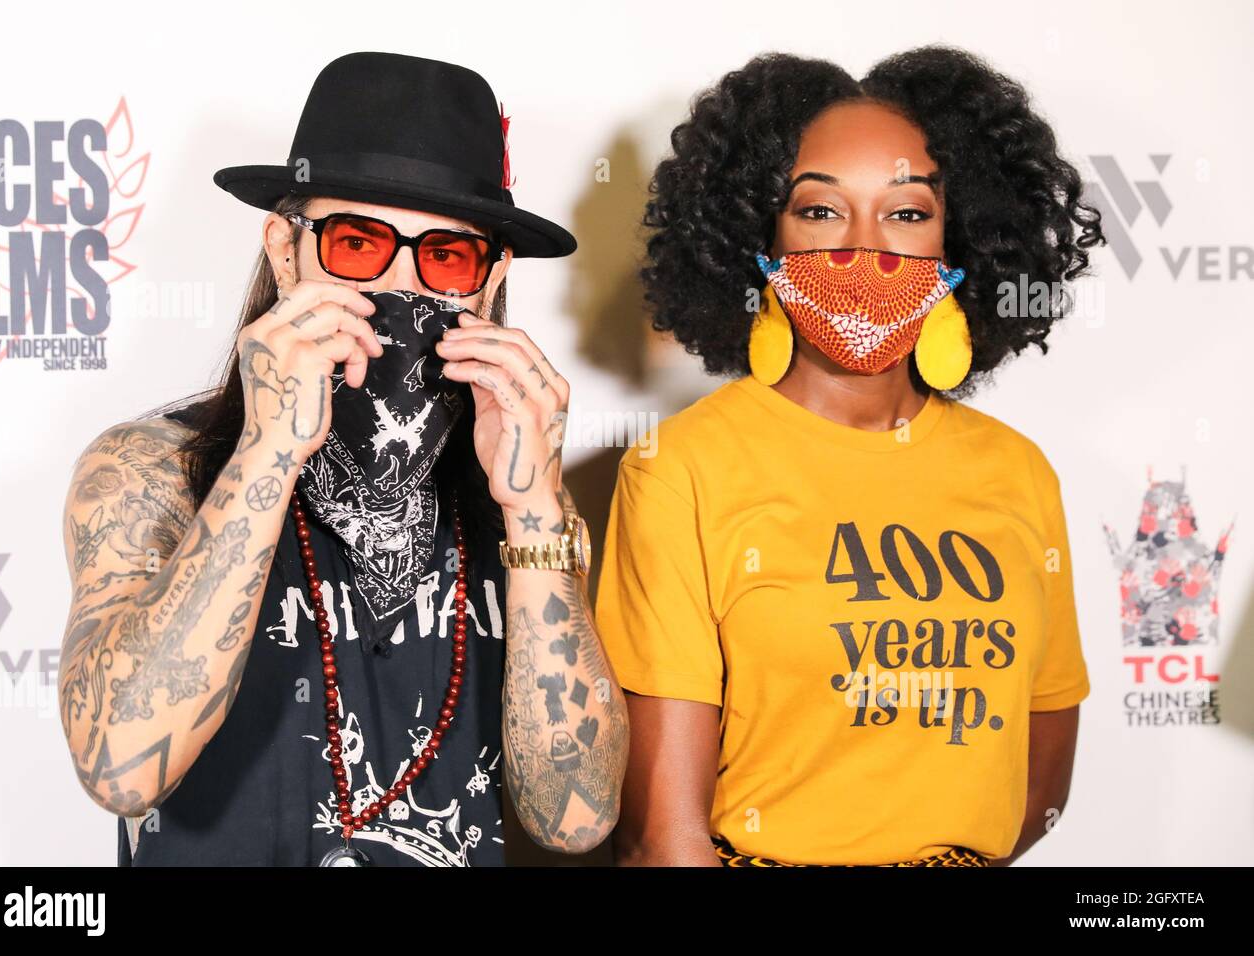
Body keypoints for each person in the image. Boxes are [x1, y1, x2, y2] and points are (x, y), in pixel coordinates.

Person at [58, 51, 628, 866]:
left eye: (445, 256)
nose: (398, 286)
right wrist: (266, 452)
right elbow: (118, 765)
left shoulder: (522, 502)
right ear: (286, 250)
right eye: (357, 242)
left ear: (490, 281)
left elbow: (576, 817)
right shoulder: (150, 471)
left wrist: (533, 503)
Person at [595, 47, 1102, 867]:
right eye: (821, 212)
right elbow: (664, 835)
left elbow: (1035, 786)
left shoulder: (1018, 472)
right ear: (758, 237)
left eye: (907, 213)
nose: (864, 253)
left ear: (961, 235)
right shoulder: (682, 467)